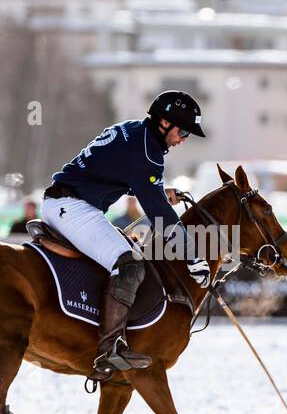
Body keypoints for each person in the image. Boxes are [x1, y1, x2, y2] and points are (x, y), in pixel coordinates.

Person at [43, 88, 208, 380]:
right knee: (130, 263)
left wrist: (156, 190)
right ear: (163, 123)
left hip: (65, 203)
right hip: (73, 208)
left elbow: (118, 173)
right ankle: (109, 349)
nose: (184, 139)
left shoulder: (134, 131)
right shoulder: (148, 151)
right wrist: (193, 255)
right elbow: (158, 214)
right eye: (183, 131)